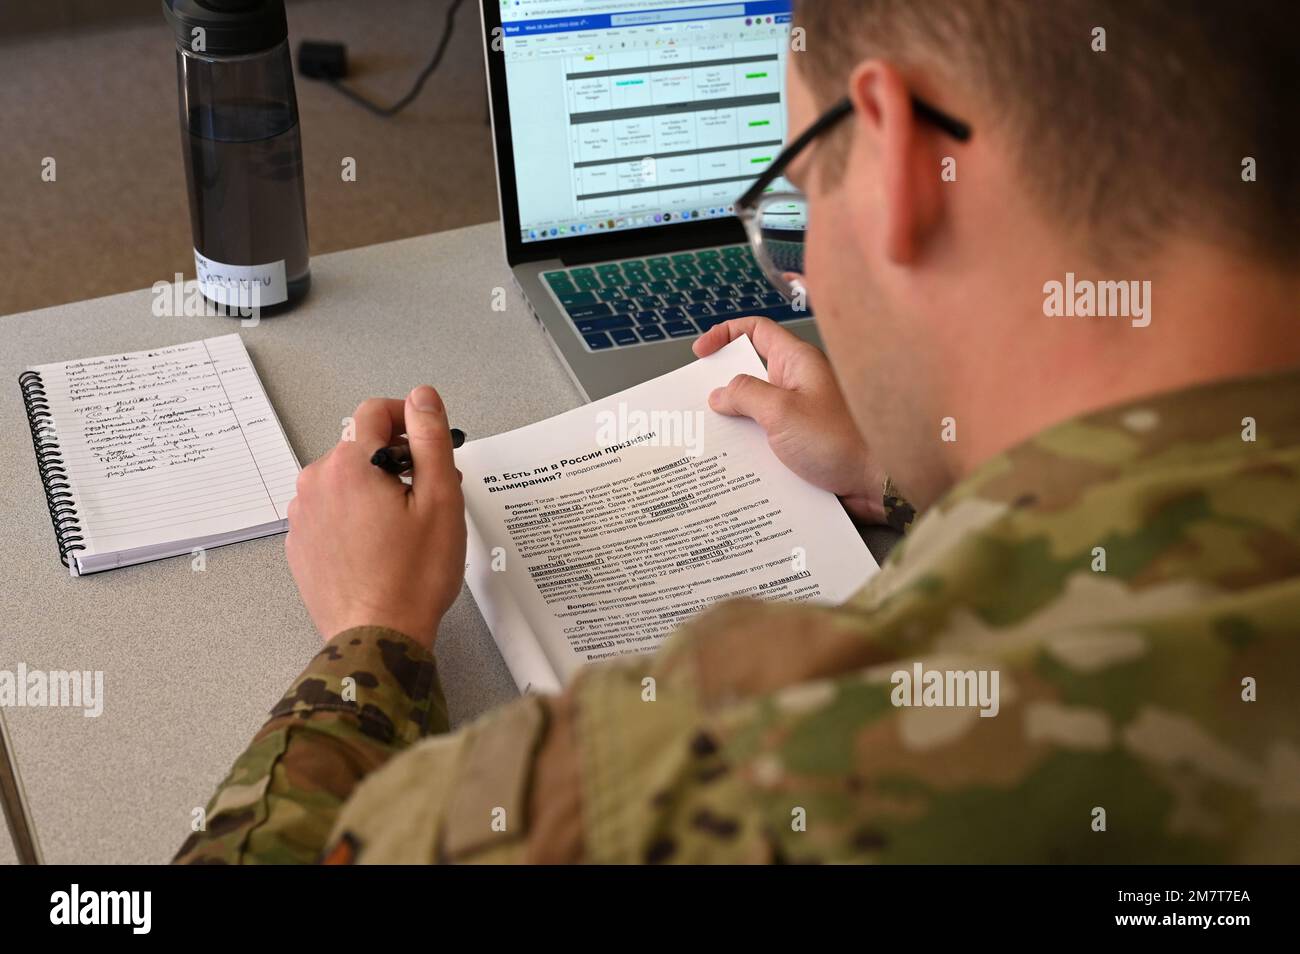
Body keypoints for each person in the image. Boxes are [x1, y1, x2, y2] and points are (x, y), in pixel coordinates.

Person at [175, 0, 1300, 864]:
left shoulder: (716, 771)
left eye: (799, 185)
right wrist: (901, 471)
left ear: (903, 159)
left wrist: (370, 640)